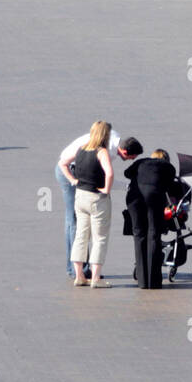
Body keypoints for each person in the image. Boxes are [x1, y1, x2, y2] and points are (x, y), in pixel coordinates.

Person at [66, 119, 115, 288]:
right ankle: (95, 278)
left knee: (81, 235)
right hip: (96, 198)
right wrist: (106, 190)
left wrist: (72, 180)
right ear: (105, 135)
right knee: (99, 238)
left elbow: (63, 162)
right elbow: (109, 173)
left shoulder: (81, 149)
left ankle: (79, 276)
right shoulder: (101, 152)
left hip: (80, 196)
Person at [124, 146, 179, 289]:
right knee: (153, 235)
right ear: (166, 159)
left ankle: (142, 281)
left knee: (139, 235)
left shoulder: (141, 162)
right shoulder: (169, 167)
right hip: (153, 198)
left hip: (134, 199)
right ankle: (153, 281)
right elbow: (171, 188)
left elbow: (126, 173)